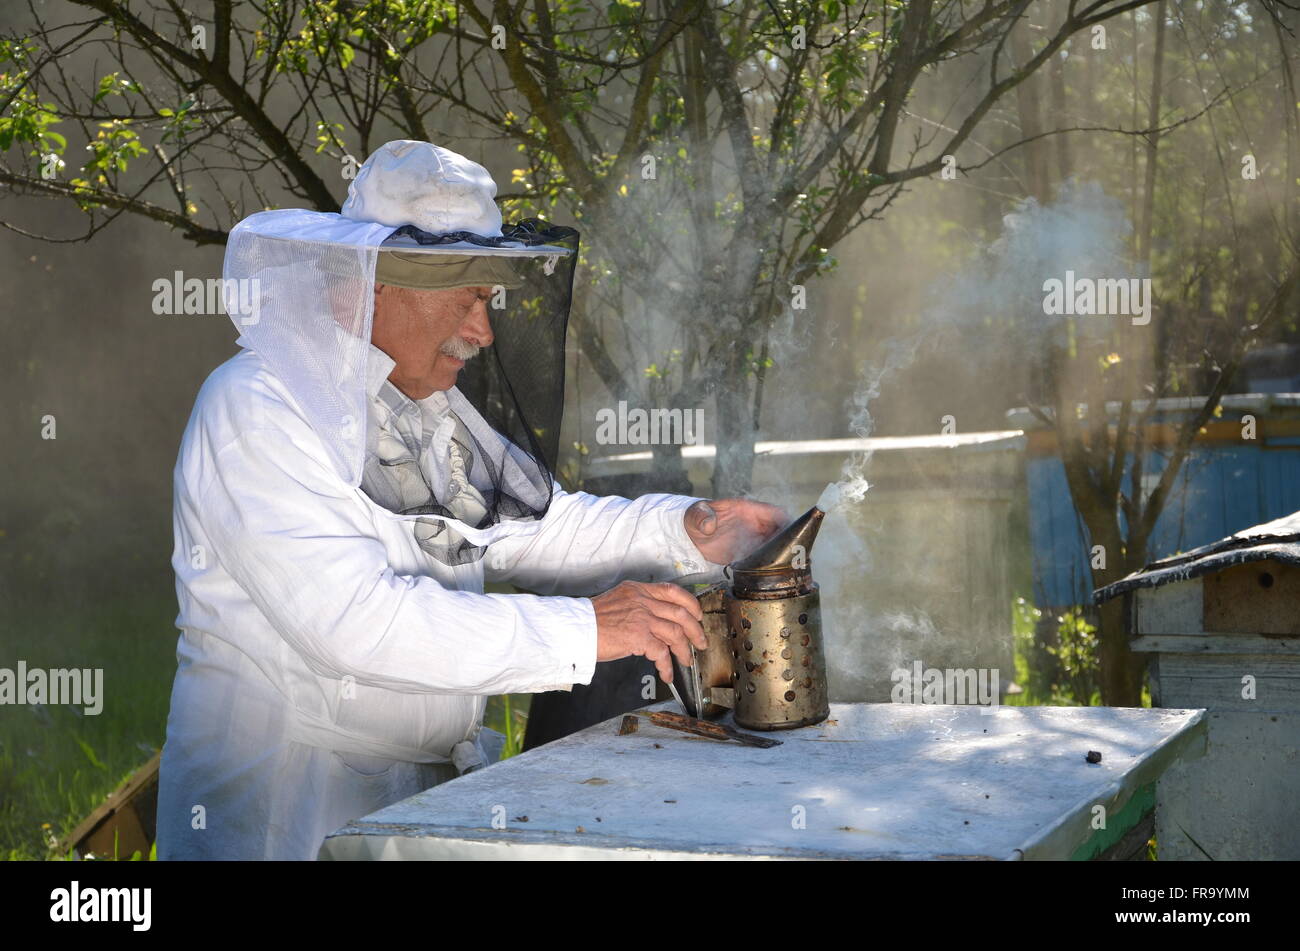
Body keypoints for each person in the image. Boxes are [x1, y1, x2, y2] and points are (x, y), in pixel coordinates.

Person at [155, 140, 785, 860]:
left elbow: (541, 528)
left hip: (415, 800)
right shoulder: (257, 408)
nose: (484, 331)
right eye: (468, 296)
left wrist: (688, 528)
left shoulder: (430, 410)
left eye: (487, 299)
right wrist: (587, 631)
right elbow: (357, 622)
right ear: (370, 284)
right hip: (282, 812)